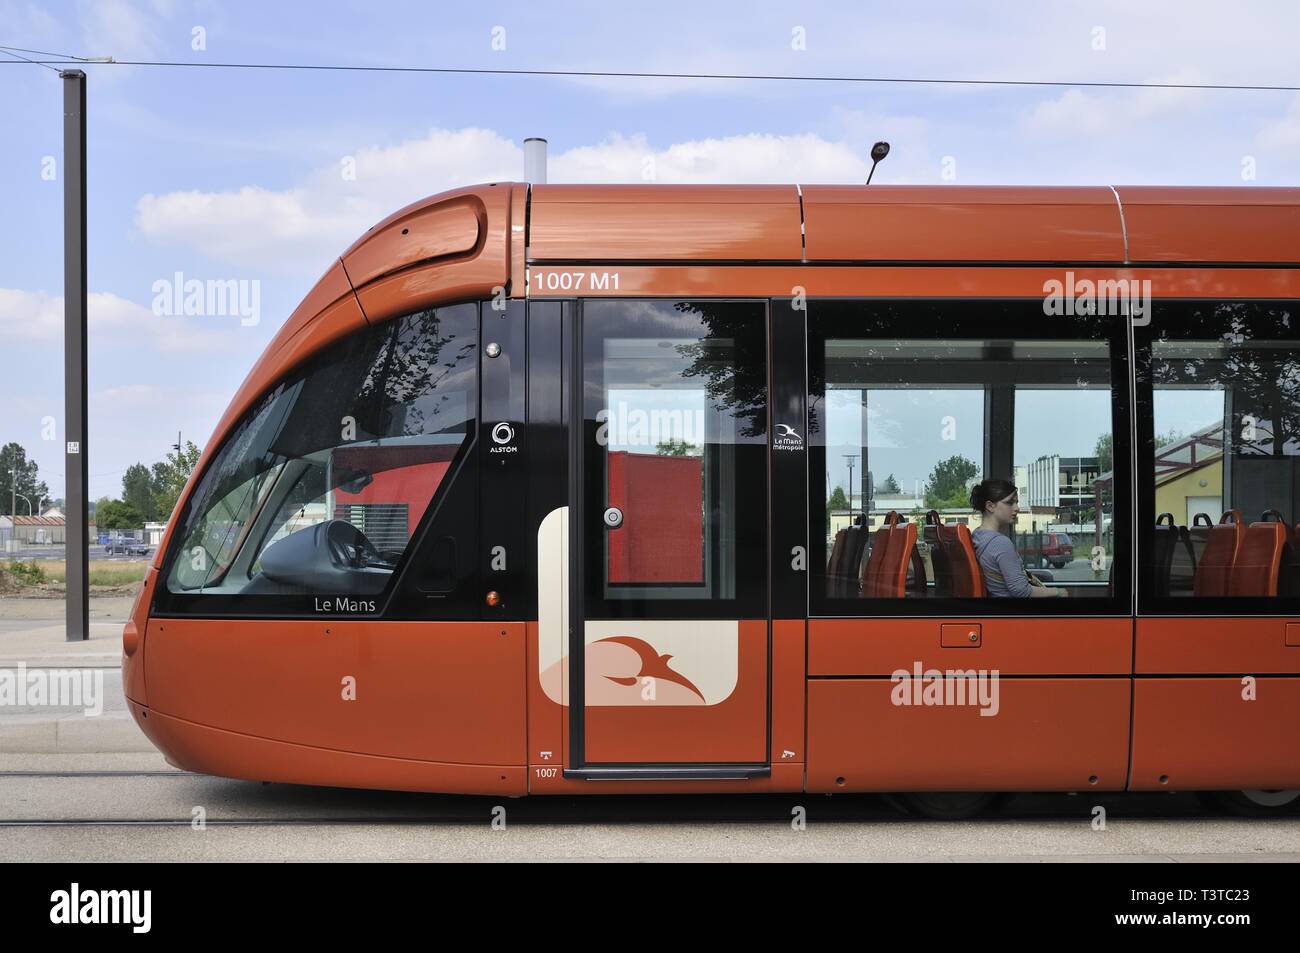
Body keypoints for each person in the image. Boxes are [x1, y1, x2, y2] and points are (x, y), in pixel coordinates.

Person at [969, 479, 1067, 599]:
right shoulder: (1000, 543)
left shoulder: (977, 536)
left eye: (1016, 502)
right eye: (1010, 503)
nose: (1017, 508)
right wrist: (1058, 591)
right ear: (990, 506)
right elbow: (1022, 592)